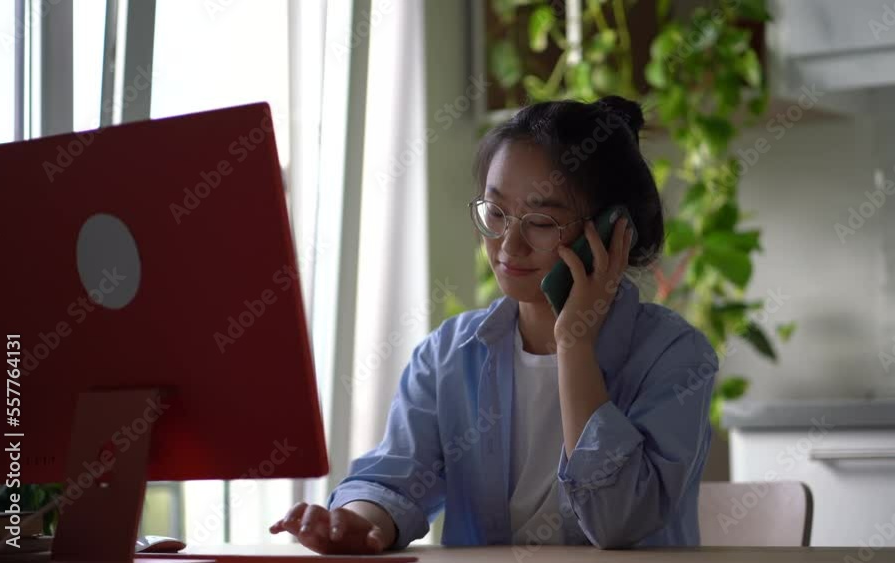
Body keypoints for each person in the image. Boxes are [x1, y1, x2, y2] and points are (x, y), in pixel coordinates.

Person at [269, 96, 717, 553]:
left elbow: (619, 522)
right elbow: (396, 481)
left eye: (541, 221)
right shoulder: (447, 354)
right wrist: (353, 523)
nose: (509, 244)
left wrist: (574, 343)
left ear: (610, 232)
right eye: (496, 212)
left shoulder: (675, 357)